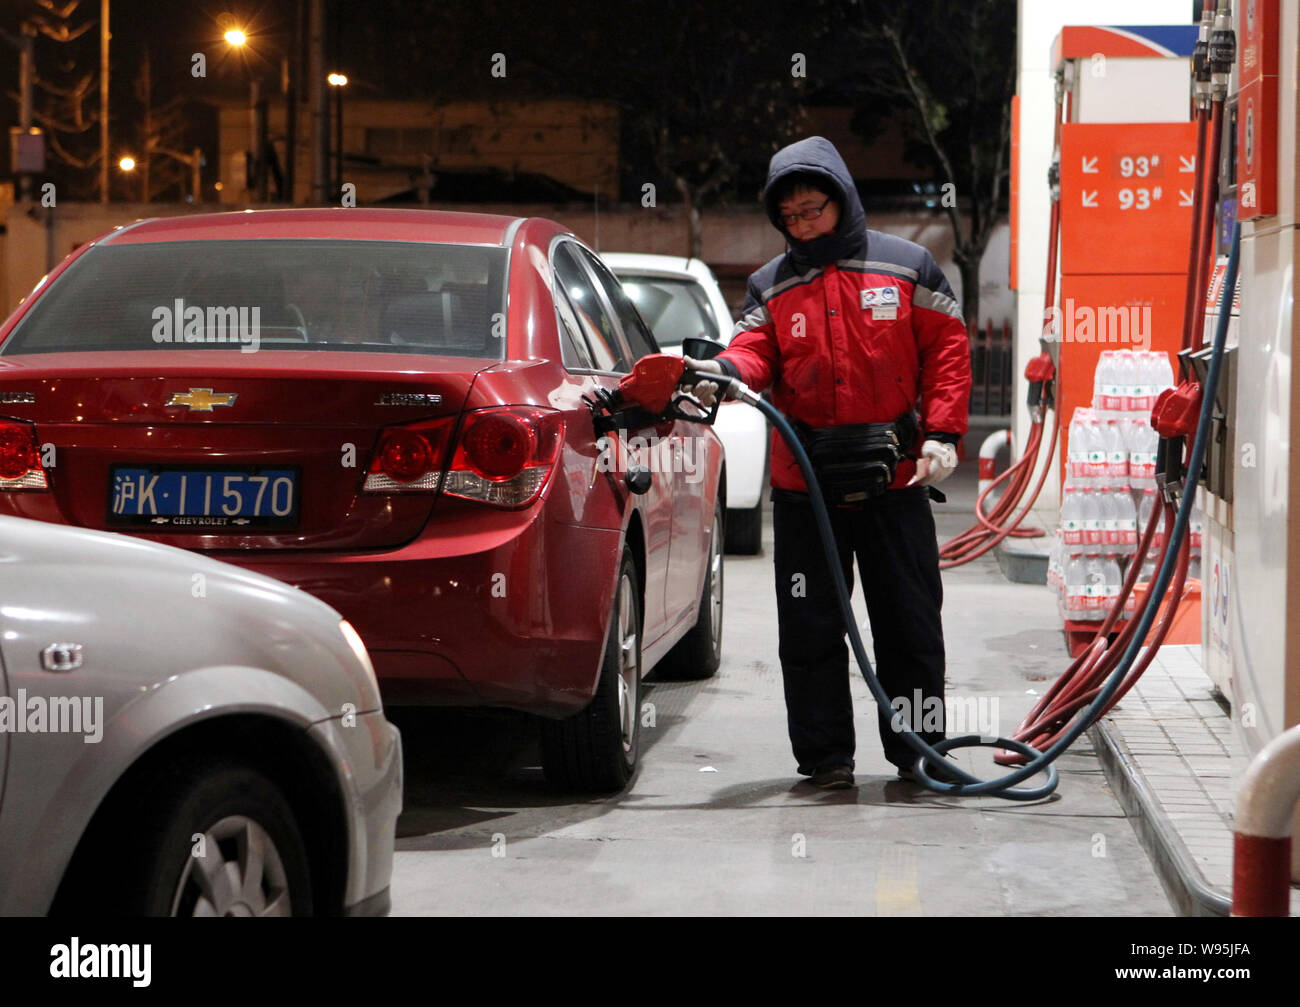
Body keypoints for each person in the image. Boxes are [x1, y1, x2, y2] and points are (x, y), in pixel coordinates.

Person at [686, 136, 971, 789]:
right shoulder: (771, 285)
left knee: (910, 624)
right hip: (804, 487)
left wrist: (945, 433)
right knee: (809, 625)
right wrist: (723, 373)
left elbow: (948, 350)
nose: (804, 224)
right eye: (791, 217)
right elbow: (753, 349)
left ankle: (919, 750)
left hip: (897, 477)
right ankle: (824, 759)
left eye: (813, 210)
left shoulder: (909, 267)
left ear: (841, 199)